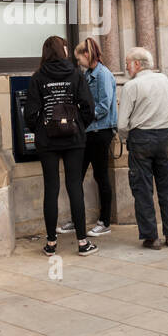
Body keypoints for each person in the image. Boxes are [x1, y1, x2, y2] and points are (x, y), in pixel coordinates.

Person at [24, 36, 97, 256]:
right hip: (74, 139)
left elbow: (30, 114)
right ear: (62, 50)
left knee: (51, 188)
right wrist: (78, 125)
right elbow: (88, 107)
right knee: (75, 187)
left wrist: (41, 128)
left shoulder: (38, 77)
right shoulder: (76, 75)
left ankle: (51, 243)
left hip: (48, 141)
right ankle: (83, 242)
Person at [117, 46, 168, 249]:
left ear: (137, 64)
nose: (126, 67)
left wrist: (127, 138)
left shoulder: (131, 86)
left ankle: (151, 236)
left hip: (141, 138)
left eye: (127, 63)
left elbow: (122, 124)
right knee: (167, 185)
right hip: (164, 135)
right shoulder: (164, 80)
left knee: (142, 189)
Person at [57, 37, 116, 237]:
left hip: (100, 132)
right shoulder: (89, 74)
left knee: (101, 176)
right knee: (77, 176)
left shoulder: (103, 75)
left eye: (79, 58)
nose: (77, 62)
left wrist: (83, 119)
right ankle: (77, 219)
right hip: (88, 131)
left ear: (86, 54)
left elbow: (104, 105)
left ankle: (105, 221)